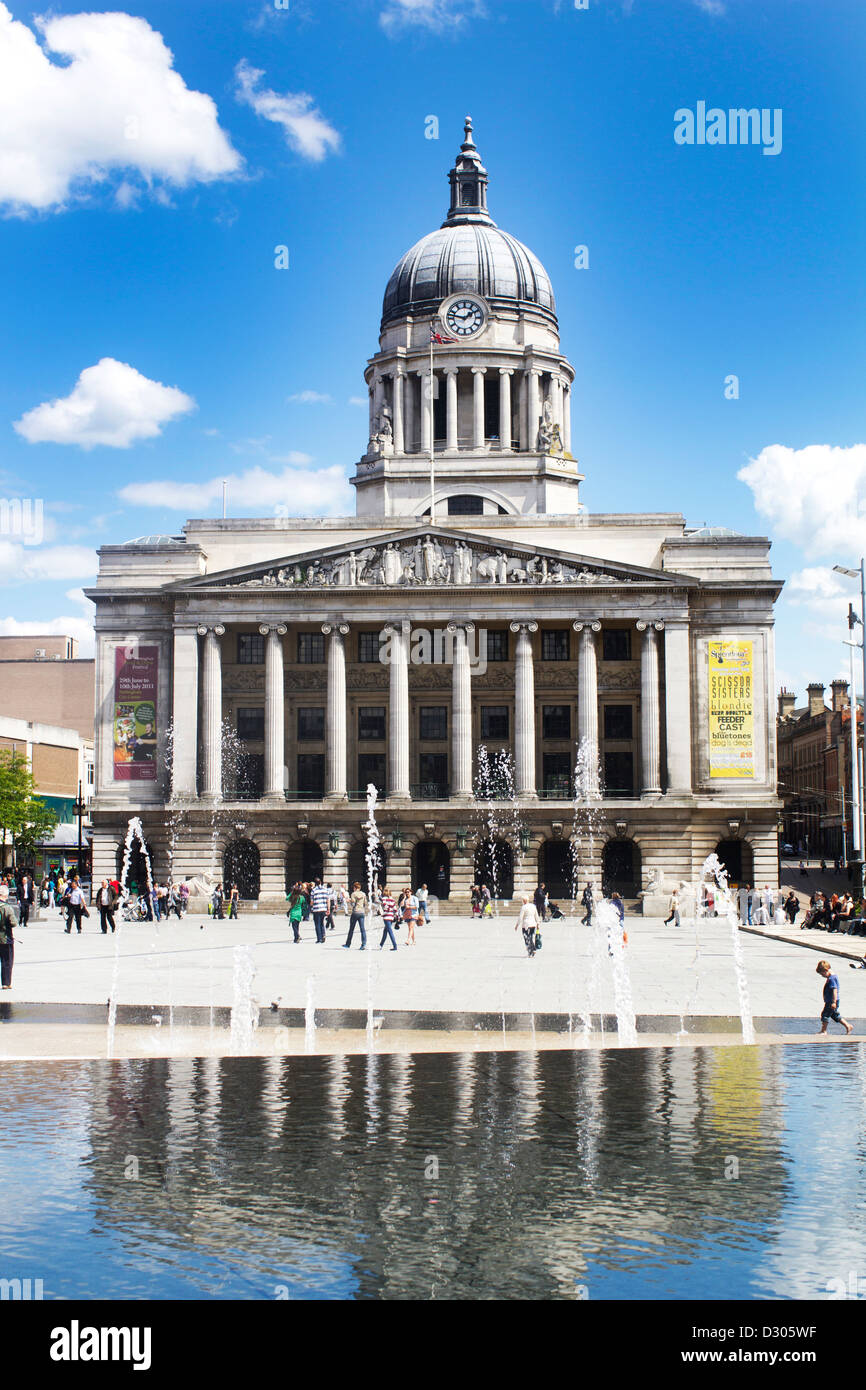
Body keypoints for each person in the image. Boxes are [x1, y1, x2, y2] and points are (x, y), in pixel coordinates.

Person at [816, 960, 853, 1036]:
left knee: (825, 1014)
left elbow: (834, 991)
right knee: (834, 1015)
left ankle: (823, 1031)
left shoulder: (832, 979)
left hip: (831, 1001)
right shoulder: (832, 976)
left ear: (826, 970)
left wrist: (833, 1002)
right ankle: (848, 1026)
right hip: (832, 1000)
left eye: (822, 974)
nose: (822, 976)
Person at [514, 893, 541, 958]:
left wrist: (517, 925)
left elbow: (520, 917)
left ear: (524, 901)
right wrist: (538, 923)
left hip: (526, 925)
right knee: (531, 937)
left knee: (526, 938)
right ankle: (532, 950)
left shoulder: (524, 907)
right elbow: (536, 915)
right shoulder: (533, 906)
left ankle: (531, 951)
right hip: (533, 924)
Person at [0, 884, 16, 989]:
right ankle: (6, 983)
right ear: (6, 895)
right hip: (5, 938)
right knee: (7, 961)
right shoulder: (7, 908)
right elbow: (13, 922)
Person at [344, 882, 368, 949]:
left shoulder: (353, 894)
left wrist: (349, 901)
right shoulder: (363, 894)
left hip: (355, 912)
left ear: (355, 887)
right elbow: (365, 903)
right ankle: (363, 944)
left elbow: (353, 904)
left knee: (351, 929)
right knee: (362, 929)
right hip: (362, 912)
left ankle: (348, 944)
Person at [379, 885, 398, 950]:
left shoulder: (384, 898)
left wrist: (383, 913)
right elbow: (395, 909)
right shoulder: (392, 899)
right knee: (385, 931)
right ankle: (381, 944)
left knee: (390, 931)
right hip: (391, 917)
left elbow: (385, 907)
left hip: (386, 916)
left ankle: (395, 945)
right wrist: (397, 916)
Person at [310, 879, 329, 943]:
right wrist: (328, 909)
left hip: (316, 909)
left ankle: (319, 938)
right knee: (322, 923)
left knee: (317, 924)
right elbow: (328, 900)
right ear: (320, 882)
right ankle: (323, 934)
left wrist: (311, 906)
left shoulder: (314, 890)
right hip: (323, 909)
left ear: (315, 883)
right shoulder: (325, 889)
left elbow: (312, 901)